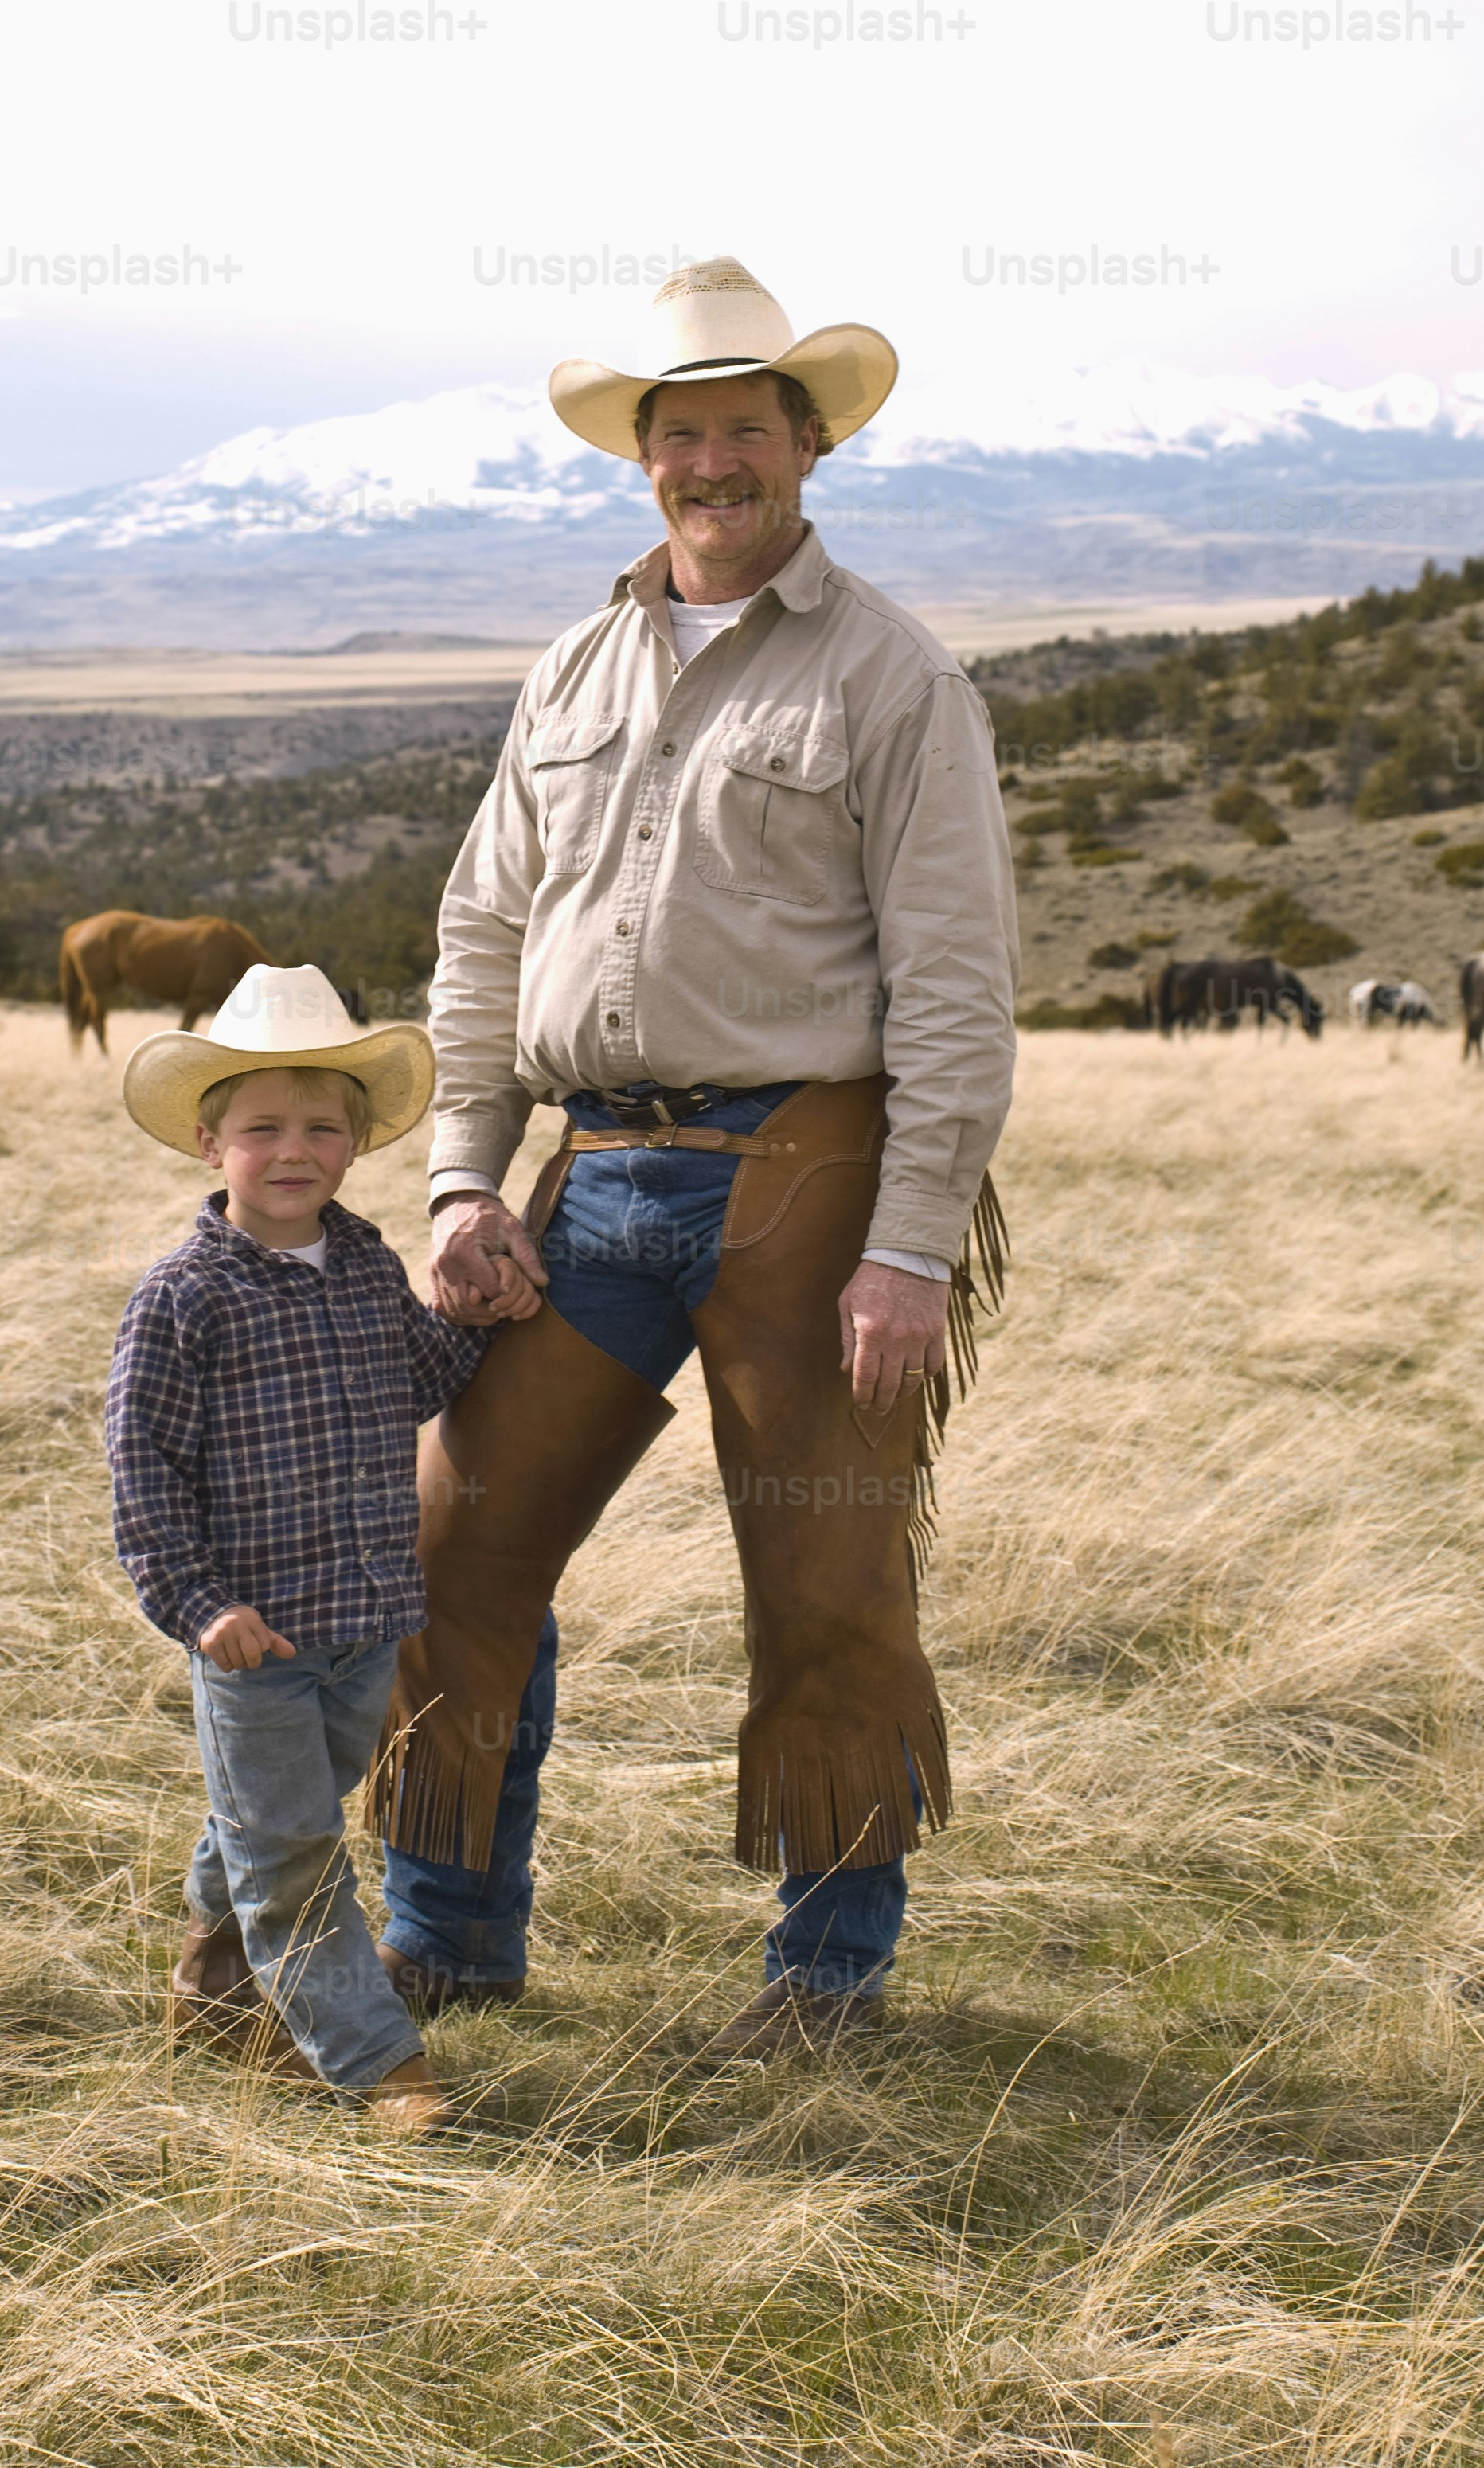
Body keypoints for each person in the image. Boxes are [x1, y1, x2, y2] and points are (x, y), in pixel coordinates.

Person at [373, 256, 1018, 2056]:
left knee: (827, 1578)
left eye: (749, 425)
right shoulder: (574, 664)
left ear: (808, 444)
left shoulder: (895, 679)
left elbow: (958, 991)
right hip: (587, 1174)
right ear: (639, 458)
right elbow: (482, 940)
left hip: (805, 1174)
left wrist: (909, 1246)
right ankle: (447, 1940)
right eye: (682, 431)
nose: (714, 459)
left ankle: (829, 1988)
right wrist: (459, 1180)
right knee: (454, 1543)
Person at [104, 962, 524, 2129]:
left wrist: (480, 1319)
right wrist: (195, 1603)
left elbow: (419, 1379)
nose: (294, 1150)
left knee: (273, 1811)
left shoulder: (367, 1271)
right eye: (262, 1128)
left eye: (322, 1127)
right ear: (209, 1143)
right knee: (293, 1847)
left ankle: (209, 1985)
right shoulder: (183, 1298)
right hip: (252, 1631)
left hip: (365, 1623)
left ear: (354, 1145)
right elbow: (142, 1473)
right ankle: (374, 2062)